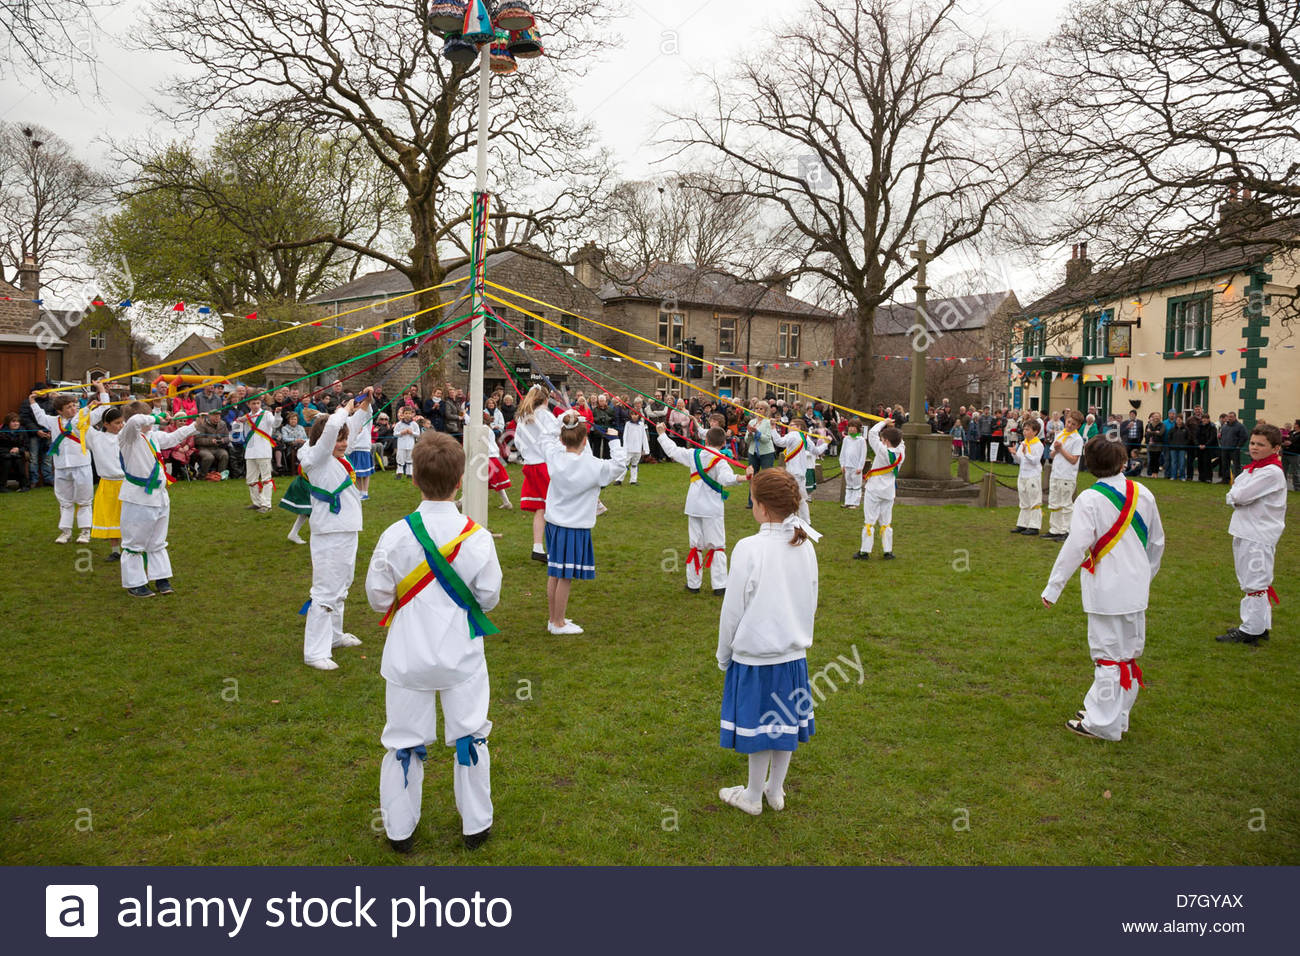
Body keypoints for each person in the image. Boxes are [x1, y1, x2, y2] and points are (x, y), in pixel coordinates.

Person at [364, 431, 501, 853]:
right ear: (460, 480)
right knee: (470, 735)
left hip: (406, 655)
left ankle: (399, 830)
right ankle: (475, 825)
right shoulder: (476, 536)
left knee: (403, 741)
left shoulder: (393, 535)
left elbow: (376, 597)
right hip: (461, 654)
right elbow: (489, 598)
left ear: (414, 479)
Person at [1041, 436, 1165, 741]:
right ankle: (1115, 713)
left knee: (1108, 656)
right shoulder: (1143, 492)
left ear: (1089, 464)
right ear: (1123, 462)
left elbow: (1076, 546)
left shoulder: (1089, 499)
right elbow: (1157, 543)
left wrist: (1053, 587)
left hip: (1107, 590)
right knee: (1126, 655)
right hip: (1136, 588)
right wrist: (1144, 576)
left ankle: (1102, 724)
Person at [715, 468, 819, 816]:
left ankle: (755, 795)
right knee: (782, 723)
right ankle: (772, 791)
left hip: (757, 658)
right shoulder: (804, 545)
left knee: (762, 728)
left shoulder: (750, 548)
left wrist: (723, 652)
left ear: (759, 506)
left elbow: (732, 609)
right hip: (792, 655)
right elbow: (812, 599)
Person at [540, 408, 627, 634]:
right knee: (564, 576)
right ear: (585, 439)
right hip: (573, 527)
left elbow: (544, 438)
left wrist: (562, 419)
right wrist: (614, 441)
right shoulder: (594, 466)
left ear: (562, 438)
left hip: (554, 525)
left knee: (555, 573)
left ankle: (554, 618)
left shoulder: (554, 457)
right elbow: (619, 466)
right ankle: (557, 622)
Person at [298, 403, 365, 670]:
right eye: (339, 440)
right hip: (329, 532)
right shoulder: (316, 458)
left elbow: (352, 429)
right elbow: (333, 428)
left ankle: (335, 637)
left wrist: (363, 407)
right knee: (325, 590)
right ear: (324, 440)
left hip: (346, 529)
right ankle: (314, 652)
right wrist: (343, 410)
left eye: (345, 440)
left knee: (341, 586)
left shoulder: (332, 457)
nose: (343, 444)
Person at [1215, 424, 1288, 645]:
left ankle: (1251, 629)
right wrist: (1236, 494)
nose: (1254, 448)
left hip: (1258, 534)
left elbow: (1239, 495)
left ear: (1275, 448)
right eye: (1253, 443)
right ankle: (1260, 624)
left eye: (1261, 445)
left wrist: (1235, 495)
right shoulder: (1254, 469)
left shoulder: (1271, 472)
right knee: (1251, 578)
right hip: (1246, 529)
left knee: (1255, 581)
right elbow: (1237, 488)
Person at [117, 403, 198, 597]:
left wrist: (196, 425)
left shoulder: (152, 435)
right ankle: (134, 583)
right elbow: (136, 420)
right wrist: (157, 416)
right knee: (134, 542)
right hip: (138, 497)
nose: (152, 420)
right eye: (149, 417)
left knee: (158, 540)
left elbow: (172, 438)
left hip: (159, 496)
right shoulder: (127, 436)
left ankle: (161, 577)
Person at [657, 423, 744, 596]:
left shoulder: (693, 454)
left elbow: (673, 450)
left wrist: (661, 434)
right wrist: (743, 477)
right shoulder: (720, 460)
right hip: (712, 508)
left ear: (706, 439)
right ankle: (719, 586)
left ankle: (693, 584)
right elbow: (726, 479)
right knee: (717, 546)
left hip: (694, 506)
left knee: (695, 545)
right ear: (723, 444)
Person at [28, 389, 98, 543]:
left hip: (81, 464)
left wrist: (98, 397)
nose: (73, 408)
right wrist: (32, 401)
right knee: (64, 501)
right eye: (69, 407)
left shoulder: (81, 419)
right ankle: (65, 532)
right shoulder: (53, 421)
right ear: (59, 411)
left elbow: (95, 414)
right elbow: (40, 417)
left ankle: (85, 531)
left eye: (74, 405)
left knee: (84, 499)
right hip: (61, 466)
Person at [513, 385, 560, 561]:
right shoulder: (546, 415)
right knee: (554, 507)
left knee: (541, 508)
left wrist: (528, 453)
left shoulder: (524, 417)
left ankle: (538, 547)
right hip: (544, 465)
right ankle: (555, 547)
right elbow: (558, 434)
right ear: (546, 399)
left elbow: (517, 442)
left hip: (530, 465)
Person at [853, 417, 905, 560]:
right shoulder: (901, 453)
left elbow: (872, 434)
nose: (881, 441)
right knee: (886, 521)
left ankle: (865, 551)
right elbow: (900, 441)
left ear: (886, 441)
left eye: (883, 440)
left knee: (870, 520)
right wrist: (893, 428)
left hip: (874, 490)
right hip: (889, 491)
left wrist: (885, 422)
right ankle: (888, 551)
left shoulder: (882, 451)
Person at [85, 400, 125, 560]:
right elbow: (78, 424)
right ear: (106, 424)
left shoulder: (125, 436)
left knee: (128, 517)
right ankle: (116, 551)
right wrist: (90, 408)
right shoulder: (96, 438)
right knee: (110, 517)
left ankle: (130, 548)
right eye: (117, 423)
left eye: (122, 422)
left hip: (126, 483)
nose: (121, 426)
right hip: (107, 483)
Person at [772, 419, 826, 523]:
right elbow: (816, 451)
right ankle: (804, 521)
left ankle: (794, 520)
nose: (789, 427)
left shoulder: (793, 434)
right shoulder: (805, 437)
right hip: (801, 472)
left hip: (793, 472)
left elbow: (779, 442)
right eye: (790, 425)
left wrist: (773, 428)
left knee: (792, 498)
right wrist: (826, 444)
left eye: (793, 425)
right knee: (800, 499)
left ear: (799, 428)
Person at [1045, 410, 1085, 542]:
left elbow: (1074, 459)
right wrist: (1056, 449)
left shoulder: (1077, 439)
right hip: (1056, 473)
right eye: (1068, 422)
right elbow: (1051, 455)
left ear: (1078, 426)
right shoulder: (1060, 434)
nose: (1069, 425)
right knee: (1055, 502)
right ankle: (1054, 529)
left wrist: (1061, 449)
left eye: (1073, 424)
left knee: (1066, 504)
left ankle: (1066, 530)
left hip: (1067, 475)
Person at [238, 397, 280, 512]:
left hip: (263, 450)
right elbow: (235, 431)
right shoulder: (246, 417)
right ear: (248, 404)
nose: (256, 405)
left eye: (258, 403)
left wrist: (277, 414)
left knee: (266, 478)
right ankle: (256, 503)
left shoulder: (266, 414)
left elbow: (275, 424)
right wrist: (238, 422)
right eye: (253, 403)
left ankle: (266, 505)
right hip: (250, 451)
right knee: (251, 479)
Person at [1010, 417, 1045, 536]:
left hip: (1033, 475)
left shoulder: (1038, 445)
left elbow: (1035, 461)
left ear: (1035, 432)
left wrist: (1026, 453)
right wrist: (1015, 454)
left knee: (1034, 500)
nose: (1025, 432)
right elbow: (1020, 460)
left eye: (1028, 429)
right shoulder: (1024, 443)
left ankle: (1034, 526)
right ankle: (1022, 523)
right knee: (1024, 500)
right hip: (1023, 474)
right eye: (1024, 429)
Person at [346, 387, 376, 499]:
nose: (358, 406)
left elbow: (368, 407)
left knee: (365, 472)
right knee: (357, 472)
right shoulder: (351, 418)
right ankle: (359, 492)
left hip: (363, 447)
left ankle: (365, 491)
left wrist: (366, 394)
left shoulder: (366, 415)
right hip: (353, 447)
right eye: (357, 405)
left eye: (360, 404)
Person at [193, 408, 232, 480]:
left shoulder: (222, 424)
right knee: (209, 457)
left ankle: (220, 476)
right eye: (214, 416)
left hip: (217, 448)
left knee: (224, 454)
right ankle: (202, 476)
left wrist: (224, 440)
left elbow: (228, 437)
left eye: (218, 415)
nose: (217, 417)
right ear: (209, 416)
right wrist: (211, 441)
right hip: (203, 448)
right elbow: (197, 440)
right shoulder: (203, 424)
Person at [838, 419, 866, 508]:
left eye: (853, 427)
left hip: (856, 467)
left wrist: (860, 467)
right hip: (847, 466)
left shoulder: (861, 440)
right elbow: (843, 453)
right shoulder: (846, 439)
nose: (851, 429)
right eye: (850, 427)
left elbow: (863, 455)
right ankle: (848, 502)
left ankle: (855, 503)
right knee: (849, 485)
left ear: (857, 429)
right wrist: (842, 464)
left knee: (856, 485)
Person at [619, 407, 650, 485]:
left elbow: (644, 437)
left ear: (638, 415)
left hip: (638, 449)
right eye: (632, 414)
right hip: (629, 448)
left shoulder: (641, 425)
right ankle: (619, 479)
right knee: (625, 464)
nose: (634, 416)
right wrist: (624, 447)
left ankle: (633, 480)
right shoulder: (628, 424)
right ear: (630, 415)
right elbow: (624, 436)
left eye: (636, 414)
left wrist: (646, 449)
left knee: (634, 464)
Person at [0, 413, 30, 491]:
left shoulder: (23, 431)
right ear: (8, 423)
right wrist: (9, 451)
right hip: (4, 455)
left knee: (19, 462)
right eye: (13, 421)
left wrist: (19, 450)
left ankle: (24, 486)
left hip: (19, 454)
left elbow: (27, 445)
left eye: (17, 421)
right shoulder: (1, 431)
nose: (16, 423)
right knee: (7, 463)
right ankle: (2, 486)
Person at [1217, 410, 1248, 483]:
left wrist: (1239, 446)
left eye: (1231, 417)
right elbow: (1221, 436)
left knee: (1236, 466)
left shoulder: (1240, 426)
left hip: (1234, 449)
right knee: (1225, 465)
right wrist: (1221, 443)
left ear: (1235, 417)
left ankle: (1238, 481)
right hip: (1224, 449)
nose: (1229, 418)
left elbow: (1245, 437)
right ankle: (1225, 480)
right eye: (1228, 417)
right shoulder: (1224, 426)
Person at [392, 406, 422, 480]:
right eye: (406, 413)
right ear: (403, 414)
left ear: (412, 414)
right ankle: (399, 473)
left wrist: (412, 432)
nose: (407, 415)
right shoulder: (399, 424)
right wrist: (401, 432)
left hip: (410, 444)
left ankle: (409, 473)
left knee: (410, 458)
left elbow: (418, 434)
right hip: (401, 444)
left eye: (409, 413)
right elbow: (395, 433)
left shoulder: (414, 424)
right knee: (400, 458)